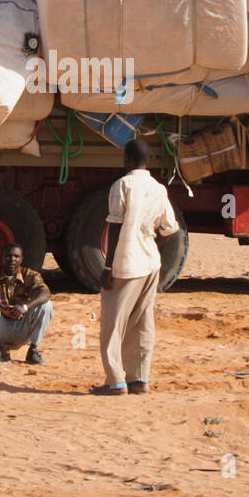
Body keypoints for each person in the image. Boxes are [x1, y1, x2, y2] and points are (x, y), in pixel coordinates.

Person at [91, 138, 180, 397]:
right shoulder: (159, 188)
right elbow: (169, 229)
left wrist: (108, 267)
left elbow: (115, 226)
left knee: (112, 324)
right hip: (151, 262)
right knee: (142, 323)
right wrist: (150, 244)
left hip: (126, 263)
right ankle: (139, 380)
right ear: (147, 161)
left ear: (127, 159)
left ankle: (116, 382)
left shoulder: (123, 185)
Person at [0, 243, 52, 364]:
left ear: (21, 259)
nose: (12, 259)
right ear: (1, 258)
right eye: (8, 256)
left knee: (46, 306)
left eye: (16, 256)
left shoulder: (29, 275)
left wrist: (25, 307)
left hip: (23, 327)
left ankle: (33, 351)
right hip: (0, 328)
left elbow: (45, 293)